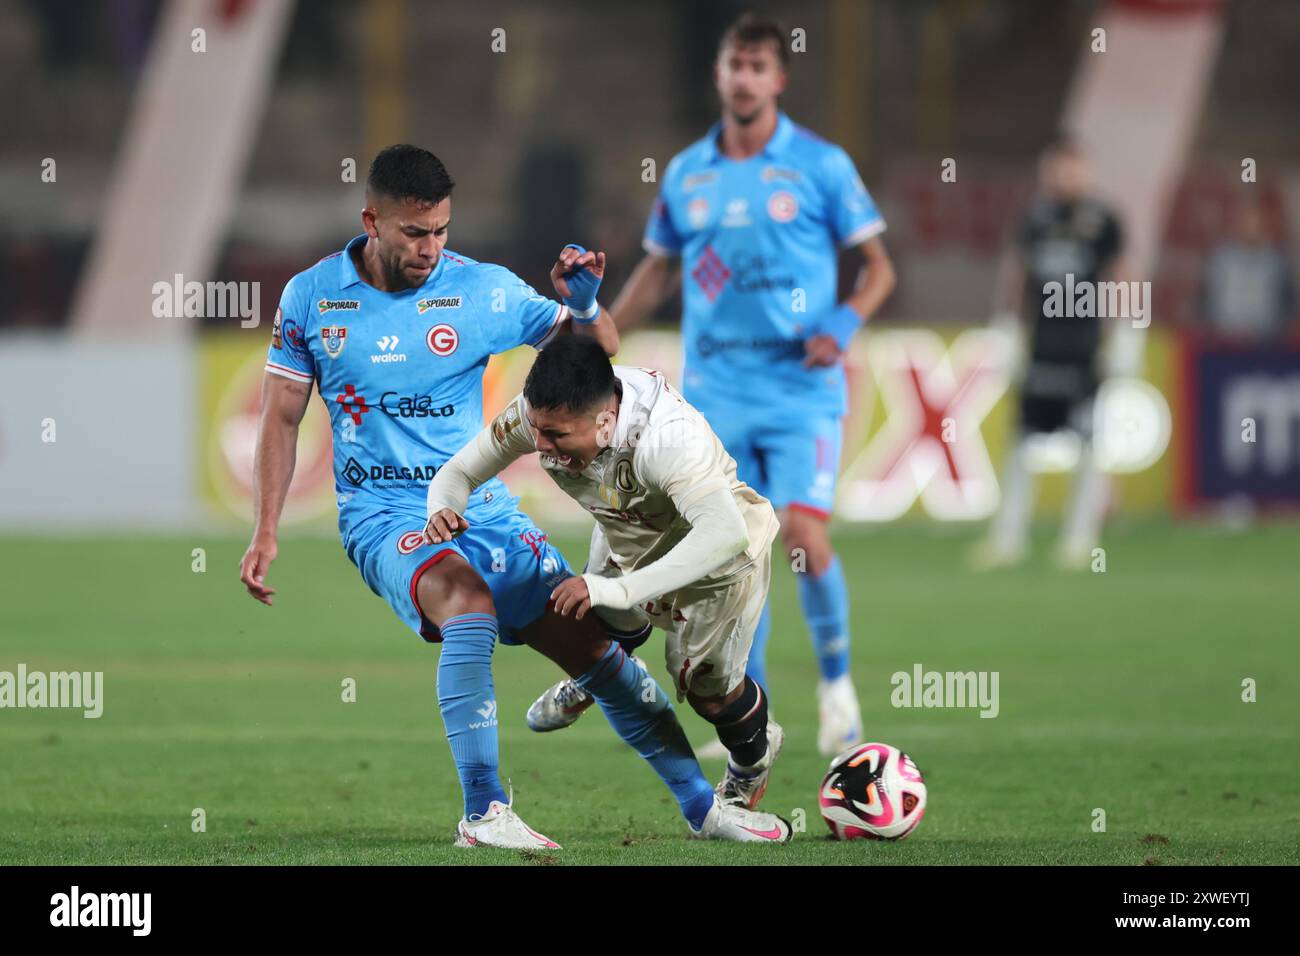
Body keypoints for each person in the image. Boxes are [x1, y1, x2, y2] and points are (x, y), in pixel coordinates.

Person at [239, 145, 753, 849]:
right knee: (466, 603)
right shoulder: (311, 297)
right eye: (413, 233)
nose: (430, 248)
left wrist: (583, 304)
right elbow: (281, 416)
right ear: (373, 221)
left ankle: (702, 808)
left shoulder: (482, 290)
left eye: (441, 230)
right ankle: (483, 812)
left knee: (598, 651)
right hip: (382, 512)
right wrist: (265, 529)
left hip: (481, 507)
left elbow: (594, 353)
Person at [529, 12, 897, 757]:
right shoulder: (688, 172)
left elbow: (879, 267)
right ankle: (741, 720)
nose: (744, 78)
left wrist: (846, 324)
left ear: (778, 79)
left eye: (759, 67)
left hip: (800, 389)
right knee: (730, 555)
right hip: (719, 393)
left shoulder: (821, 166)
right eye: (734, 65)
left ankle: (836, 686)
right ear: (720, 74)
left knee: (803, 537)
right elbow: (659, 268)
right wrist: (600, 333)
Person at [426, 335, 791, 837]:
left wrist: (619, 590)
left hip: (717, 563)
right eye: (538, 432)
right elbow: (460, 471)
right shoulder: (539, 415)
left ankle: (751, 762)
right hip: (626, 526)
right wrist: (443, 507)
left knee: (711, 698)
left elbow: (723, 532)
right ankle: (597, 677)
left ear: (605, 420)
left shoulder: (668, 437)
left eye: (556, 436)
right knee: (589, 618)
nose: (542, 447)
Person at [976, 137, 1128, 569]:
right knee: (1022, 444)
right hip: (1041, 348)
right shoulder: (1034, 220)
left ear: (1084, 169)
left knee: (1086, 445)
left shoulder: (1104, 221)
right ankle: (1008, 539)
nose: (1063, 175)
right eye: (1056, 167)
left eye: (1070, 166)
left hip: (1084, 350)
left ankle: (1081, 540)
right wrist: (1007, 330)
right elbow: (1017, 276)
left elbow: (1121, 276)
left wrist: (1127, 335)